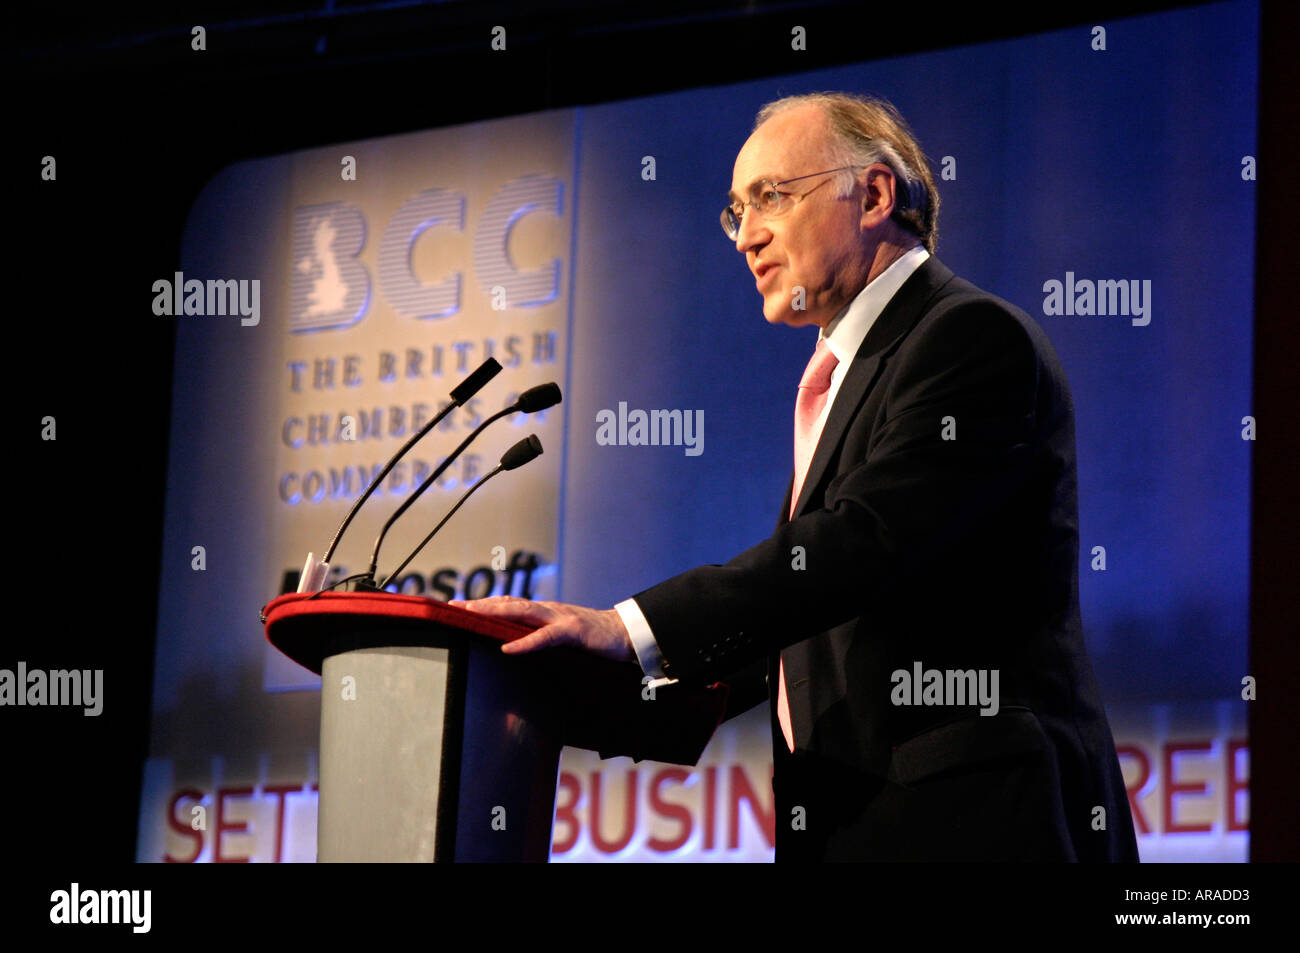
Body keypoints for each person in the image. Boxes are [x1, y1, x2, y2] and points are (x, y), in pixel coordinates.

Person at [453, 92, 1139, 862]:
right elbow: (805, 626)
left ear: (874, 195)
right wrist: (572, 695)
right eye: (736, 211)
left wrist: (630, 627)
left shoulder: (969, 340)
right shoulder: (849, 373)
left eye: (771, 197)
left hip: (978, 823)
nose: (746, 236)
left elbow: (863, 545)